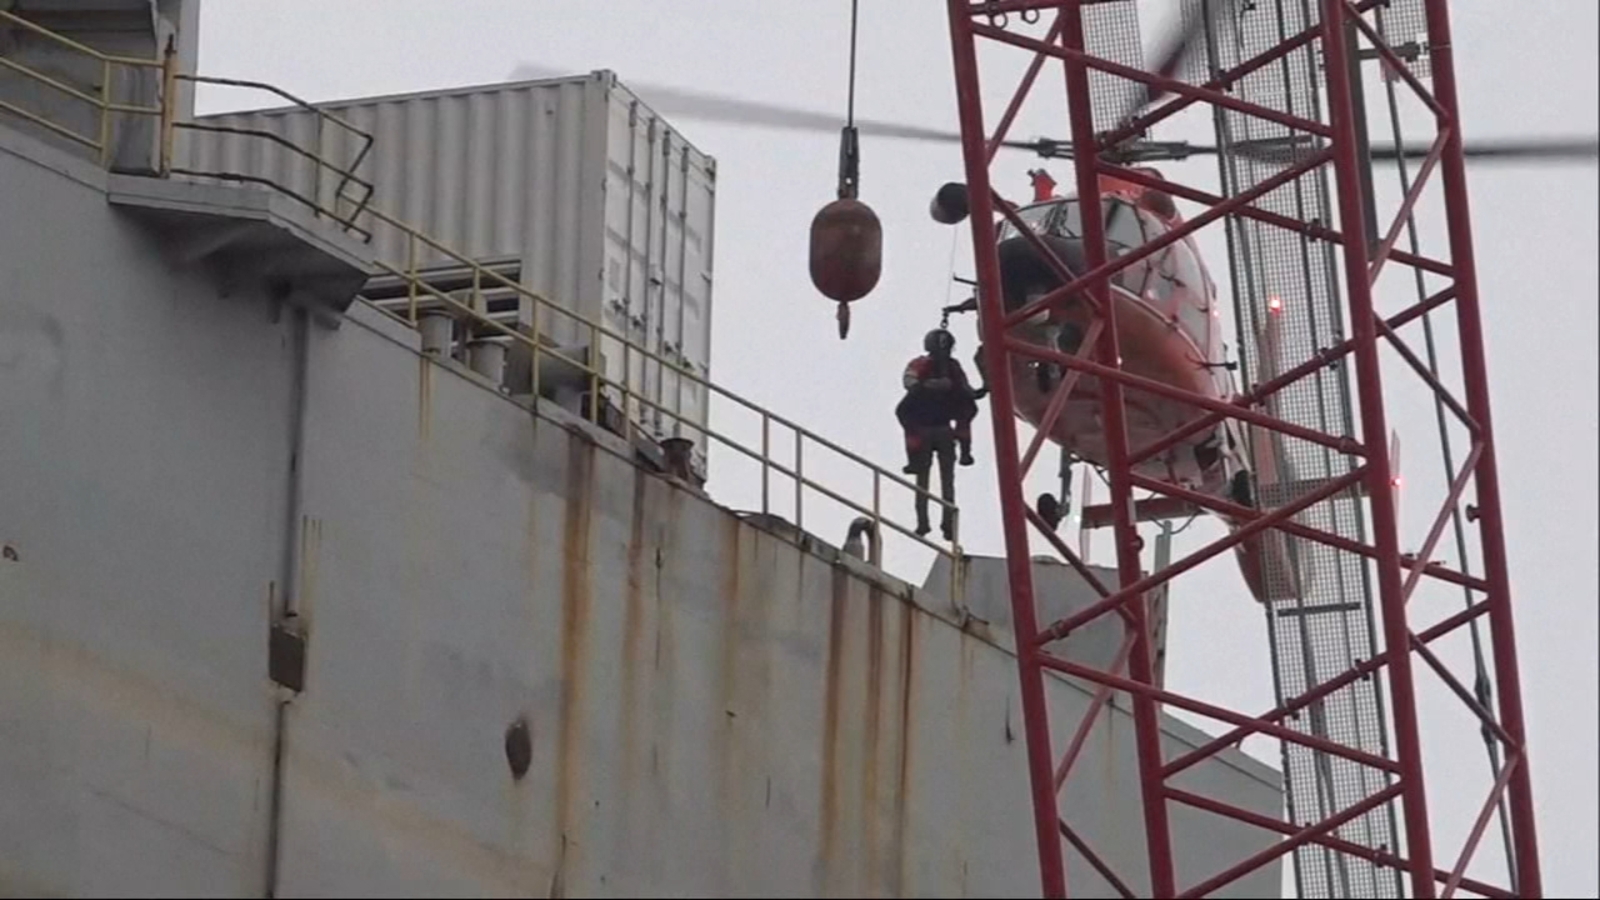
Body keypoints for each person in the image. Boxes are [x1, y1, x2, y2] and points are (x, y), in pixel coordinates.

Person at [895, 328, 986, 538]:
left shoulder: (946, 367)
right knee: (939, 481)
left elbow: (965, 391)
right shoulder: (937, 366)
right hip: (936, 430)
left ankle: (940, 525)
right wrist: (931, 386)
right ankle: (931, 524)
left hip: (935, 430)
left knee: (933, 481)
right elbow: (910, 380)